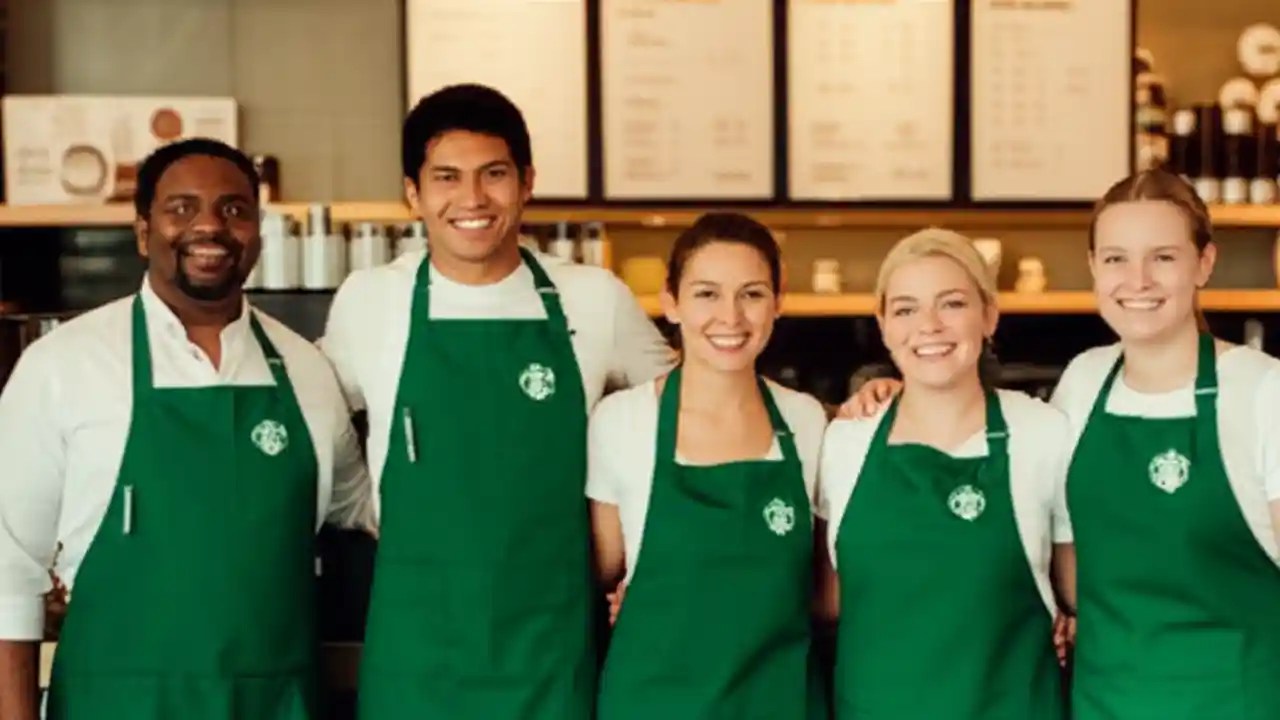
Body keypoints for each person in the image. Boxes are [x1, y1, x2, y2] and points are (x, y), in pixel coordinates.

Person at [319, 84, 676, 720]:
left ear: (527, 181)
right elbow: (316, 420)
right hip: (417, 655)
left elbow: (685, 410)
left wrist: (640, 554)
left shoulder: (592, 298)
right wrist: (362, 503)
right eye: (447, 177)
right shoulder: (370, 300)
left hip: (552, 650)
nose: (473, 199)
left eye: (494, 175)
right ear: (413, 193)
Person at [0, 138, 374, 720]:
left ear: (257, 229)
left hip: (275, 702)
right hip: (116, 705)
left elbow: (367, 506)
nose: (209, 226)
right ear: (144, 231)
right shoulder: (64, 366)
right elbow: (7, 576)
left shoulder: (306, 370)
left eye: (233, 209)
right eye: (181, 208)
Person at [1050, 168, 1280, 718]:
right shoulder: (1082, 382)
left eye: (1164, 257)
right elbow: (1067, 555)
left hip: (1237, 699)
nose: (1138, 279)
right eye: (1115, 259)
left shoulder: (1263, 389)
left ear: (1204, 263)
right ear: (1093, 269)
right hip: (1107, 700)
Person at [817, 228, 1074, 719]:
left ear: (989, 316)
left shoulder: (1044, 433)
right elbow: (822, 597)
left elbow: (1082, 589)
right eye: (906, 309)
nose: (928, 326)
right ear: (884, 326)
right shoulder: (845, 441)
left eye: (952, 304)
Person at [588, 213, 829, 719]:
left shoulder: (807, 422)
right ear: (670, 302)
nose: (731, 316)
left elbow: (827, 583)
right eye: (706, 294)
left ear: (778, 302)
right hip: (654, 703)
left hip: (778, 702)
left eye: (752, 293)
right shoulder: (622, 422)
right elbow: (598, 572)